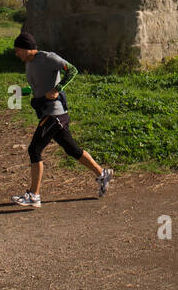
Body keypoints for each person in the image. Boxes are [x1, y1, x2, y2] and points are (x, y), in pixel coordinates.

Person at [11, 31, 112, 208]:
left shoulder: (49, 58)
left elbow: (72, 70)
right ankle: (102, 173)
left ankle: (34, 195)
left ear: (27, 48)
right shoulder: (30, 63)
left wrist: (57, 89)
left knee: (34, 150)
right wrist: (21, 91)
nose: (16, 54)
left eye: (18, 50)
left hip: (54, 115)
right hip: (49, 114)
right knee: (72, 150)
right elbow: (38, 87)